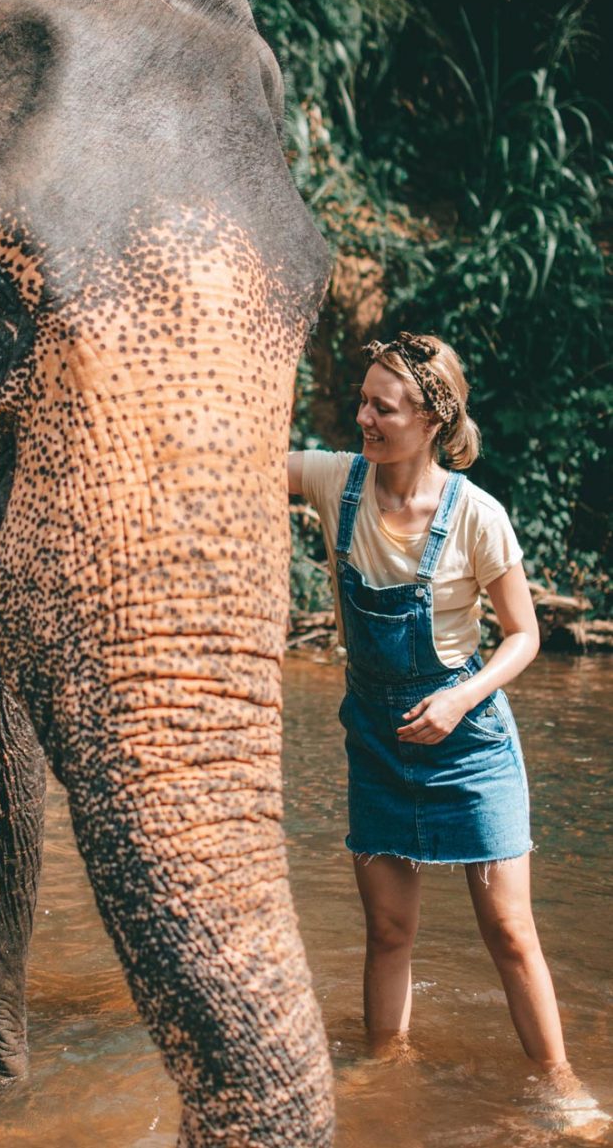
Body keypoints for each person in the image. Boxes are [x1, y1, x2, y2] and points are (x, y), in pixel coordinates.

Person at [287, 332, 608, 1134]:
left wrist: (460, 700)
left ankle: (560, 1084)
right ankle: (384, 1072)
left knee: (509, 931)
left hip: (470, 747)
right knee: (389, 930)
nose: (364, 417)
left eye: (384, 407)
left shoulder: (477, 516)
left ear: (432, 419)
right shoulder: (333, 480)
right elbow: (238, 461)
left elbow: (525, 635)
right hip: (376, 741)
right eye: (362, 401)